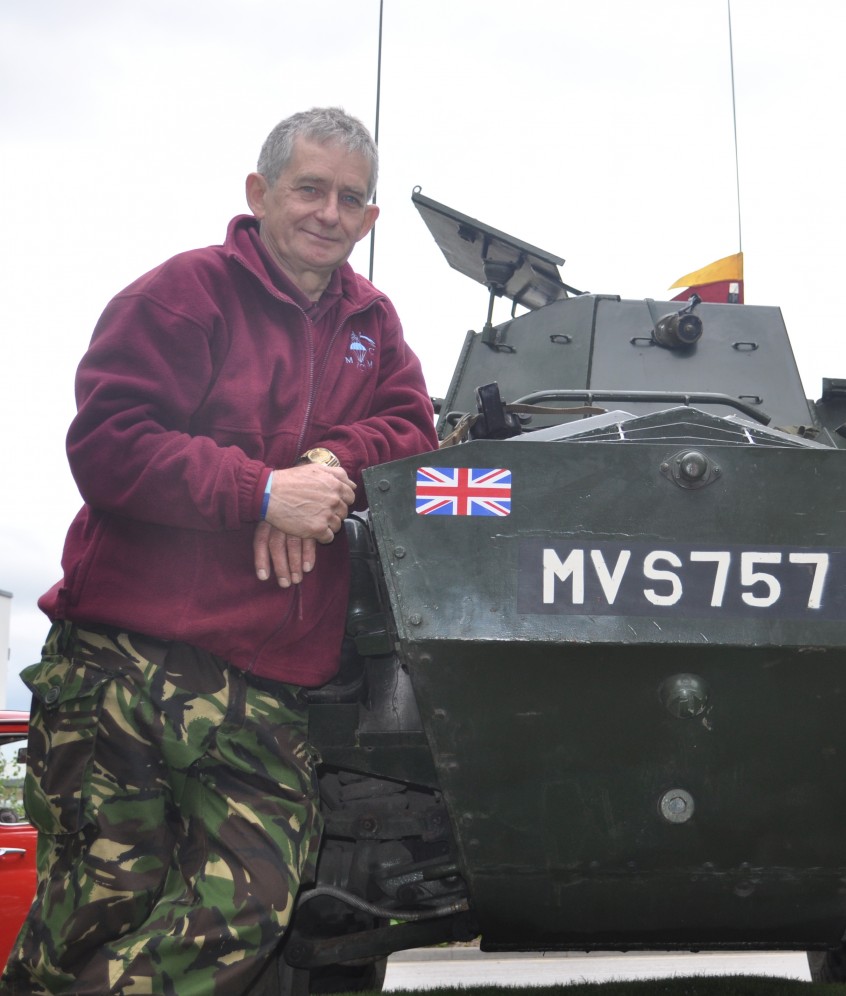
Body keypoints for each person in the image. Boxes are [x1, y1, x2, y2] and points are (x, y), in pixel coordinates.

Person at [3, 107, 439, 994]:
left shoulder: (373, 322)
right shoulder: (182, 293)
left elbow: (413, 431)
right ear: (259, 192)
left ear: (369, 219)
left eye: (349, 198)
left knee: (255, 896)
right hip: (123, 655)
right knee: (99, 899)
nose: (328, 211)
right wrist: (263, 490)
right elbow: (110, 445)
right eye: (308, 188)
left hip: (266, 673)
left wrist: (326, 463)